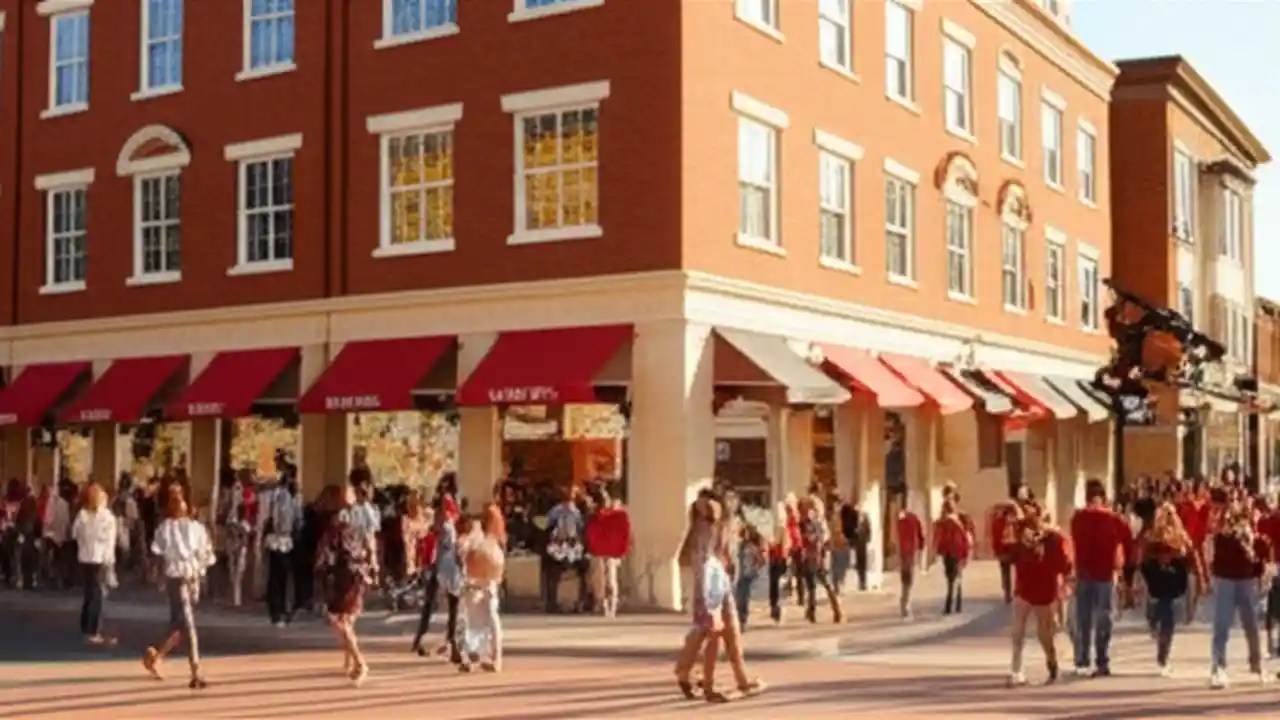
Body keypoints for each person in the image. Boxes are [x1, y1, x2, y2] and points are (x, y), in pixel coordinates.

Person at [673, 489, 764, 703]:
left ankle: (737, 678)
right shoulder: (704, 528)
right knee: (713, 635)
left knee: (728, 632)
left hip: (719, 584)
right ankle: (707, 683)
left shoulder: (721, 525)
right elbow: (701, 560)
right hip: (710, 588)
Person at [143, 491, 216, 689]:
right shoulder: (165, 528)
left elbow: (206, 552)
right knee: (189, 624)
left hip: (192, 579)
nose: (178, 506)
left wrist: (201, 572)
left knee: (178, 626)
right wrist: (157, 575)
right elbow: (158, 553)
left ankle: (155, 654)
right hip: (177, 580)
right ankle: (196, 670)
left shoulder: (196, 528)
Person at [316, 484, 378, 687]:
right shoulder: (340, 523)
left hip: (350, 575)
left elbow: (369, 543)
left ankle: (360, 662)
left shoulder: (354, 521)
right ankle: (351, 659)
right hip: (344, 574)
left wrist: (372, 567)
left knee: (342, 621)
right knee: (343, 621)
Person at [1207, 499, 1271, 689]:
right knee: (1222, 625)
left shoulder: (1251, 534)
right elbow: (1211, 542)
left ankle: (1257, 665)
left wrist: (1259, 573)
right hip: (1225, 579)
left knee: (1251, 625)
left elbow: (1259, 556)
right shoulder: (1220, 532)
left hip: (1246, 580)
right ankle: (1218, 668)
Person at [1007, 503, 1072, 687]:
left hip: (1044, 591)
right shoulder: (1020, 540)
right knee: (1018, 631)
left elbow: (1063, 564)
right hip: (1024, 589)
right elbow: (1010, 556)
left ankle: (1052, 665)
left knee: (1044, 635)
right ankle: (1016, 670)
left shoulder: (1053, 539)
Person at [1069, 479, 1126, 678]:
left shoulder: (1077, 518)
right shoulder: (1113, 519)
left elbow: (1075, 540)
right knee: (1104, 618)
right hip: (1105, 575)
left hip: (1084, 573)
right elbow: (1128, 540)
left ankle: (1082, 660)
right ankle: (1101, 660)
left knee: (1083, 619)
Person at [1141, 502, 1195, 677]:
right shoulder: (1151, 537)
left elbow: (1190, 557)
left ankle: (1163, 655)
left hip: (1172, 586)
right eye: (1163, 514)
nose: (1166, 518)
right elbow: (1143, 560)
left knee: (1167, 623)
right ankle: (1160, 643)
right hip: (1156, 585)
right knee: (1156, 619)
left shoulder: (1180, 536)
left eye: (1170, 514)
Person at [412, 489, 462, 663]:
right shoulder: (445, 523)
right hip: (446, 566)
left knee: (434, 603)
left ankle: (425, 639)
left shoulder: (442, 522)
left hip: (442, 565)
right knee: (448, 605)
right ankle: (449, 641)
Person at [456, 506, 506, 672]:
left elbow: (497, 563)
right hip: (473, 582)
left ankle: (495, 657)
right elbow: (463, 552)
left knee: (490, 617)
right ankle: (471, 656)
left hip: (487, 583)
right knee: (470, 620)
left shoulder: (494, 539)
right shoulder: (473, 536)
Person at [71, 483, 118, 645]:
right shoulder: (107, 517)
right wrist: (111, 564)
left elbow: (74, 534)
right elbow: (110, 543)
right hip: (100, 558)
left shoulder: (82, 515)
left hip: (85, 558)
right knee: (98, 595)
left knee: (88, 593)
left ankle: (85, 626)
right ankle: (94, 630)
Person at [584, 489, 630, 618]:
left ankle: (609, 603)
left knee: (608, 579)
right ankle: (604, 603)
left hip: (608, 552)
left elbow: (624, 533)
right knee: (602, 579)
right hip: (602, 551)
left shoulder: (617, 515)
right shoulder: (597, 516)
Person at [263, 478, 301, 627]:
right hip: (280, 540)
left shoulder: (288, 498)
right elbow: (284, 520)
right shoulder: (284, 497)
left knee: (278, 577)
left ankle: (279, 609)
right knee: (279, 577)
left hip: (282, 540)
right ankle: (278, 610)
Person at [798, 496, 842, 624]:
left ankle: (835, 610)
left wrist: (816, 550)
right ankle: (813, 612)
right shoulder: (812, 520)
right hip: (812, 554)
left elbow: (820, 537)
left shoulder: (814, 519)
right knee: (815, 584)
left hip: (816, 554)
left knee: (822, 583)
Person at [543, 489, 588, 613]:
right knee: (555, 573)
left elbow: (579, 529)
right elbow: (549, 527)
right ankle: (553, 602)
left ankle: (577, 601)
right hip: (560, 545)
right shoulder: (559, 511)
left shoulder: (574, 512)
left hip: (571, 545)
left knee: (579, 572)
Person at [934, 500, 971, 615]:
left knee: (951, 579)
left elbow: (940, 537)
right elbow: (964, 538)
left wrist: (939, 550)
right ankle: (957, 605)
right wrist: (966, 553)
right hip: (957, 552)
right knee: (956, 578)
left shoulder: (947, 522)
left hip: (950, 553)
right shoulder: (957, 521)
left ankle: (949, 606)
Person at [896, 504, 925, 620]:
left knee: (905, 578)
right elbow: (921, 536)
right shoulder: (914, 519)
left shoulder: (899, 520)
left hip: (902, 551)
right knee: (908, 579)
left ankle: (904, 604)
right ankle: (906, 605)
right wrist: (921, 547)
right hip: (911, 551)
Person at [734, 524, 765, 630]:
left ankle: (742, 620)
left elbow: (761, 560)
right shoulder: (741, 545)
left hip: (748, 574)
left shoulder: (751, 546)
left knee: (743, 597)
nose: (746, 534)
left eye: (748, 532)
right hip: (740, 574)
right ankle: (740, 619)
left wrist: (755, 568)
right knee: (739, 597)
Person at [766, 502, 791, 624]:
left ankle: (776, 608)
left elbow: (778, 543)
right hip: (779, 558)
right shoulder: (783, 527)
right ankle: (776, 608)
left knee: (775, 585)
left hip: (777, 559)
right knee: (777, 585)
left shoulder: (778, 528)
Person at [840, 497, 871, 592]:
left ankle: (863, 582)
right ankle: (849, 581)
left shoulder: (865, 516)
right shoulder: (851, 515)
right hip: (854, 541)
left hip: (862, 542)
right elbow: (848, 527)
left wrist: (868, 538)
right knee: (853, 562)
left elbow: (868, 528)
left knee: (862, 563)